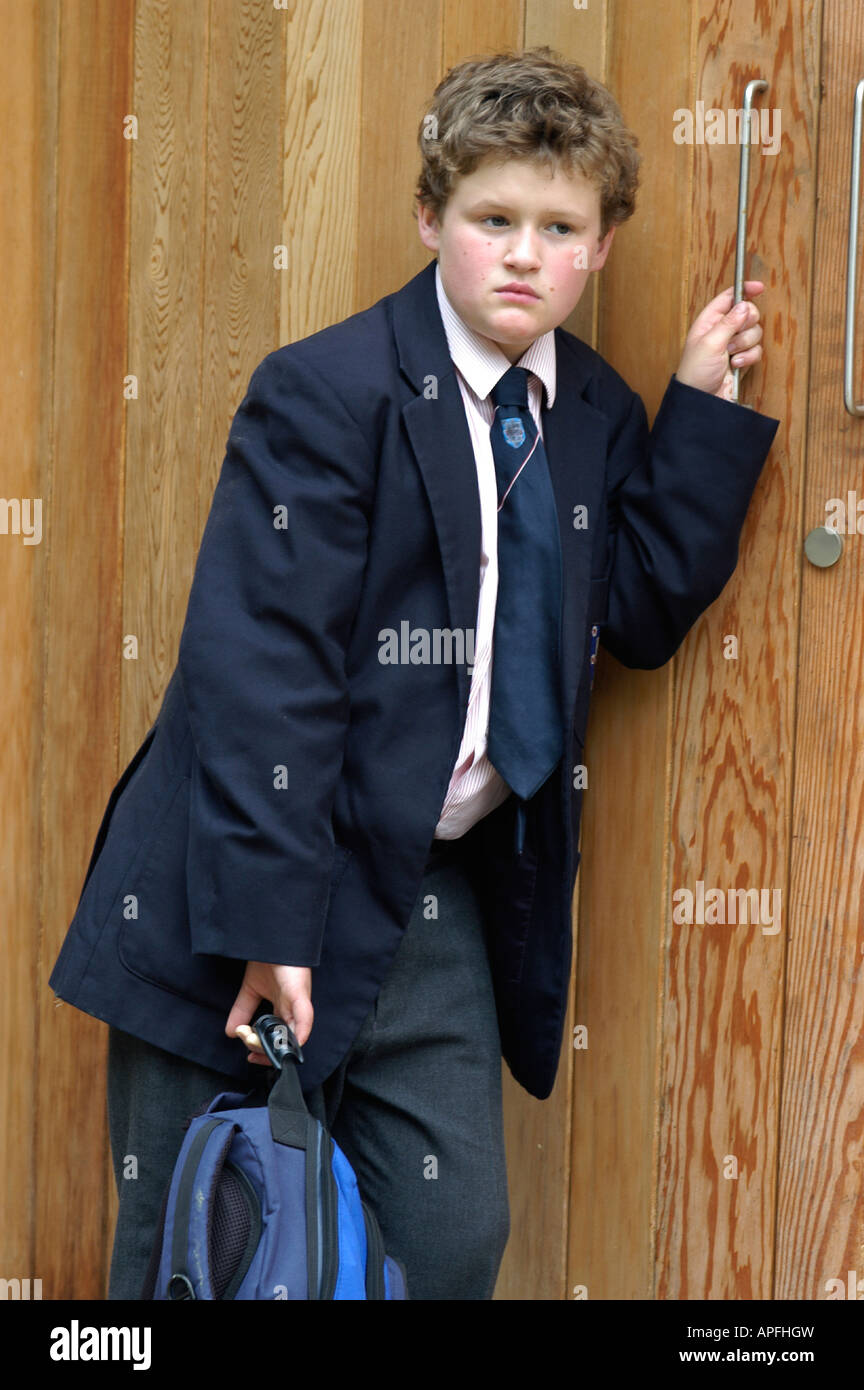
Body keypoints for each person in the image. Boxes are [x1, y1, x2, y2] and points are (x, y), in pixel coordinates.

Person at [49, 46, 780, 1301]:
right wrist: (272, 932)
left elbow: (636, 612)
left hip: (427, 894)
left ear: (600, 248)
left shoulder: (592, 413)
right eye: (493, 218)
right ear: (432, 217)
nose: (521, 254)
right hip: (243, 875)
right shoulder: (328, 396)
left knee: (451, 1237)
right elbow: (260, 676)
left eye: (559, 228)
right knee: (194, 1244)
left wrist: (701, 415)